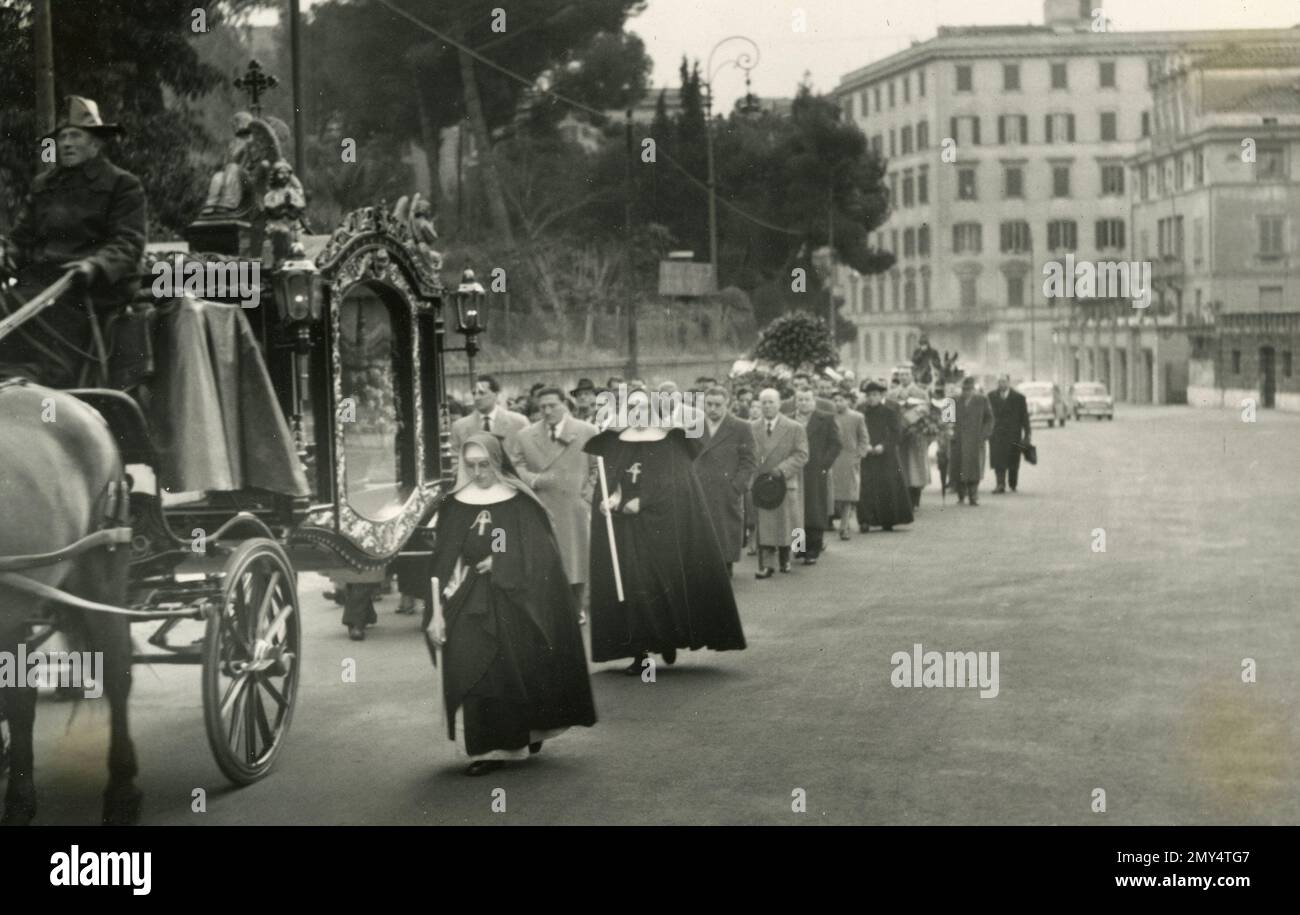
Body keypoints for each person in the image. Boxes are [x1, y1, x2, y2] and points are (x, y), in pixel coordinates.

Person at [425, 433, 596, 776]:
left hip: (517, 599)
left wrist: (500, 562)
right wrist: (438, 611)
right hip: (469, 595)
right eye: (470, 465)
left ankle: (514, 739)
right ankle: (489, 745)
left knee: (517, 667)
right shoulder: (455, 503)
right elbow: (445, 558)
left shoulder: (519, 500)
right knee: (472, 661)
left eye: (484, 464)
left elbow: (539, 553)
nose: (478, 472)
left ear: (497, 462)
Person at [584, 388, 745, 674]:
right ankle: (641, 653)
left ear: (653, 410)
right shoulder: (617, 443)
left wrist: (643, 501)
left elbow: (678, 485)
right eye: (631, 407)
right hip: (628, 531)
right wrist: (611, 499)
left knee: (663, 586)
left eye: (643, 407)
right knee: (635, 586)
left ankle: (667, 639)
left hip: (664, 531)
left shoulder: (671, 443)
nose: (637, 413)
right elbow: (611, 480)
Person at [0, 97, 147, 388]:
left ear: (95, 144)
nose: (66, 143)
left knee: (51, 323)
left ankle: (44, 390)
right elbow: (20, 238)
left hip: (89, 288)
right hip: (39, 283)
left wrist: (95, 266)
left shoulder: (123, 184)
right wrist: (7, 255)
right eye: (62, 136)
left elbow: (128, 242)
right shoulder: (43, 185)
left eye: (75, 135)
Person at [505, 387, 598, 615]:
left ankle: (577, 607)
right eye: (542, 407)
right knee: (546, 559)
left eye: (552, 405)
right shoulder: (526, 435)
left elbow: (598, 468)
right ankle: (551, 610)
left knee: (575, 558)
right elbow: (515, 466)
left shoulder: (587, 431)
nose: (547, 411)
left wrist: (587, 496)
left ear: (565, 404)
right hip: (541, 503)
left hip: (574, 506)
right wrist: (534, 480)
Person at [693, 386, 757, 576]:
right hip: (699, 486)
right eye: (709, 404)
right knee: (700, 528)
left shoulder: (741, 427)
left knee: (725, 527)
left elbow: (749, 460)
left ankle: (726, 564)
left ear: (727, 404)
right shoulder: (694, 425)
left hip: (726, 489)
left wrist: (737, 486)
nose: (712, 409)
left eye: (717, 405)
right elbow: (685, 455)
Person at [750, 388, 809, 577]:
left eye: (771, 402)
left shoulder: (794, 427)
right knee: (765, 524)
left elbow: (802, 454)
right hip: (762, 485)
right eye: (763, 402)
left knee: (788, 522)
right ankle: (767, 564)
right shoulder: (751, 427)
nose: (767, 406)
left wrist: (782, 470)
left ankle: (786, 557)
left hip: (785, 482)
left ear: (779, 404)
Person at [792, 388, 841, 564]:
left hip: (815, 471)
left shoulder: (825, 418)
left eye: (806, 399)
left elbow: (836, 444)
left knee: (814, 508)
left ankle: (813, 548)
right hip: (794, 470)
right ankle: (798, 547)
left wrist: (823, 465)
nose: (803, 403)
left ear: (813, 402)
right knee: (795, 508)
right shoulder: (789, 419)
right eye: (800, 399)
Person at [857, 380, 914, 531]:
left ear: (880, 395)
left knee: (887, 486)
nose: (871, 398)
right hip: (867, 455)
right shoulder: (861, 413)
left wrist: (884, 445)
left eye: (875, 395)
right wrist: (865, 446)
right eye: (868, 395)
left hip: (885, 456)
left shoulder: (889, 412)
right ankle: (865, 520)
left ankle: (888, 519)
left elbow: (896, 433)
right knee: (866, 487)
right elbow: (857, 432)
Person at [449, 375, 528, 455]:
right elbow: (455, 460)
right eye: (474, 393)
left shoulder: (519, 422)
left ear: (496, 395)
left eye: (482, 393)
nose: (477, 398)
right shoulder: (459, 427)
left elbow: (527, 456)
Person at [830, 388, 870, 540]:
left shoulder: (857, 417)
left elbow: (864, 437)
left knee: (848, 494)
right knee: (835, 494)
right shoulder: (829, 417)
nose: (838, 403)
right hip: (833, 459)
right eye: (836, 400)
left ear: (848, 401)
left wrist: (860, 454)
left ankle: (844, 526)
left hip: (849, 458)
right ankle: (839, 521)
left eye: (841, 400)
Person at [949, 376, 995, 506]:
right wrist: (949, 432)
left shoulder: (982, 400)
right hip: (957, 440)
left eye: (969, 389)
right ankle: (961, 495)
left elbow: (989, 419)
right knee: (958, 467)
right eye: (964, 389)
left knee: (974, 468)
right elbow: (946, 420)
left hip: (976, 440)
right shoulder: (953, 400)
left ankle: (973, 496)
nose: (966, 392)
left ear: (974, 389)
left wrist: (984, 434)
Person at [988, 373, 1031, 494]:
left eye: (1004, 381)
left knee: (1013, 459)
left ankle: (1012, 483)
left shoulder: (1019, 398)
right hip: (997, 434)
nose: (1002, 384)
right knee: (998, 460)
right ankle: (1000, 484)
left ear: (1008, 382)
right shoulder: (991, 396)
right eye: (1000, 382)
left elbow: (1024, 418)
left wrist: (1027, 434)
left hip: (1013, 434)